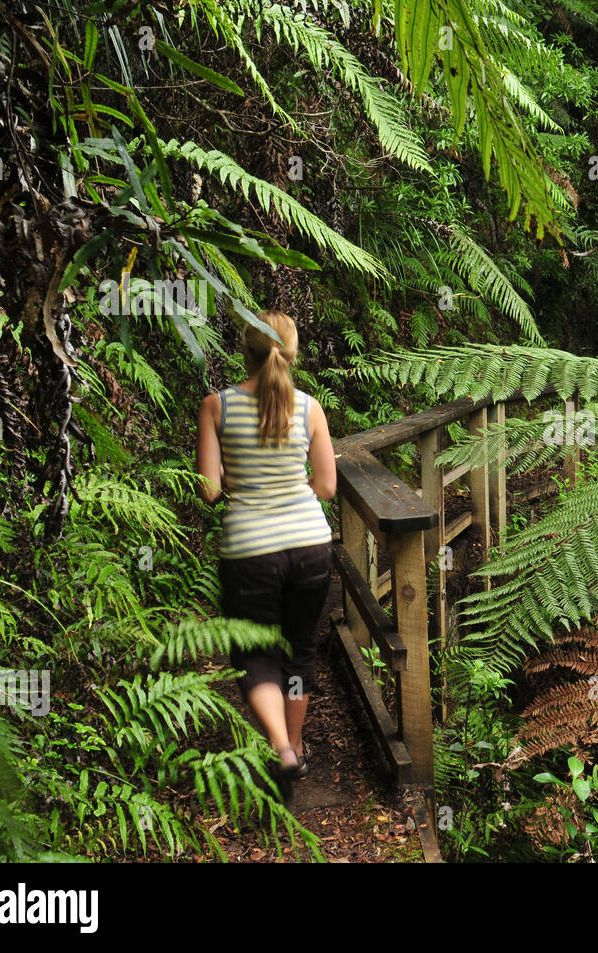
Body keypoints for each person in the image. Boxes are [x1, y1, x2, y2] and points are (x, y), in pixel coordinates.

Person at [195, 309, 336, 805]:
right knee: (299, 647)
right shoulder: (309, 408)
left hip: (249, 551)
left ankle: (280, 748)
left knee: (255, 654)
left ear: (245, 349)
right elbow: (326, 486)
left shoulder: (218, 407)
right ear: (292, 352)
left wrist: (237, 480)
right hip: (310, 546)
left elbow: (208, 490)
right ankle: (295, 744)